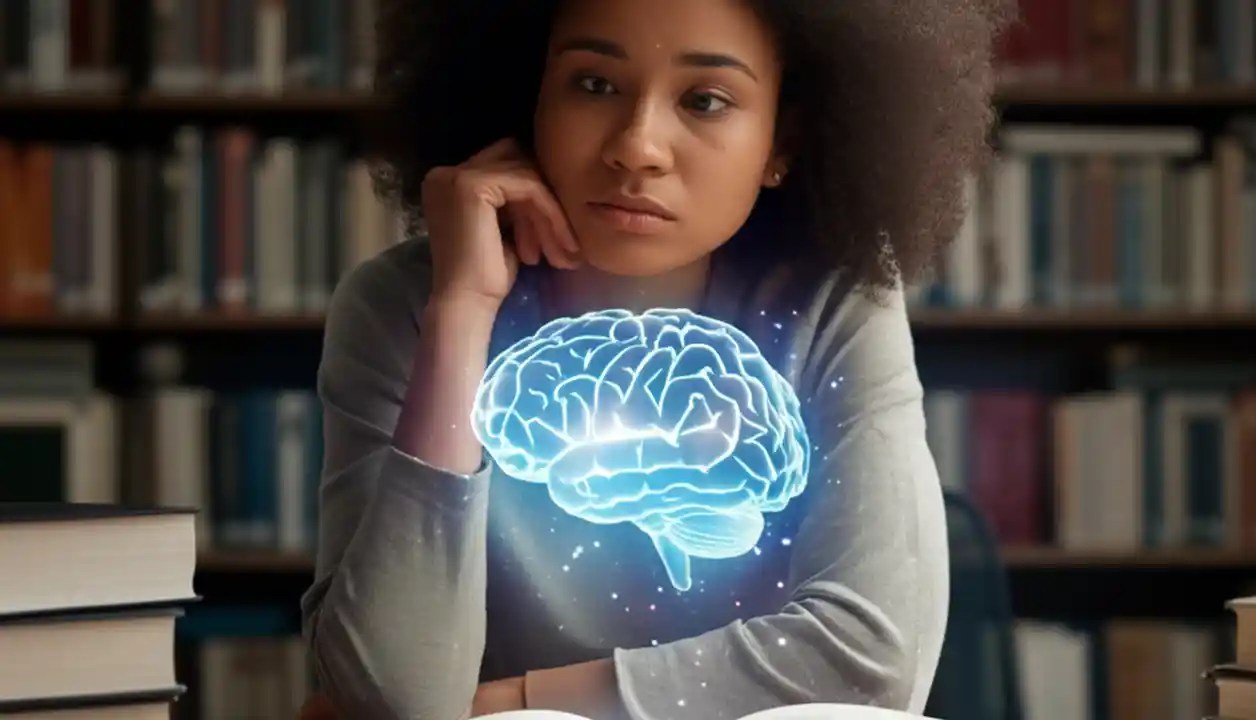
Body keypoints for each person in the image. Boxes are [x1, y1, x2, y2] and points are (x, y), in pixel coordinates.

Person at [298, 0, 1013, 718]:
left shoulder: (832, 307)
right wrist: (461, 311)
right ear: (529, 96)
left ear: (783, 140)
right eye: (595, 85)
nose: (638, 146)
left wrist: (512, 702)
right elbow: (387, 697)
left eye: (705, 100)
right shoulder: (407, 305)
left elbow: (869, 663)